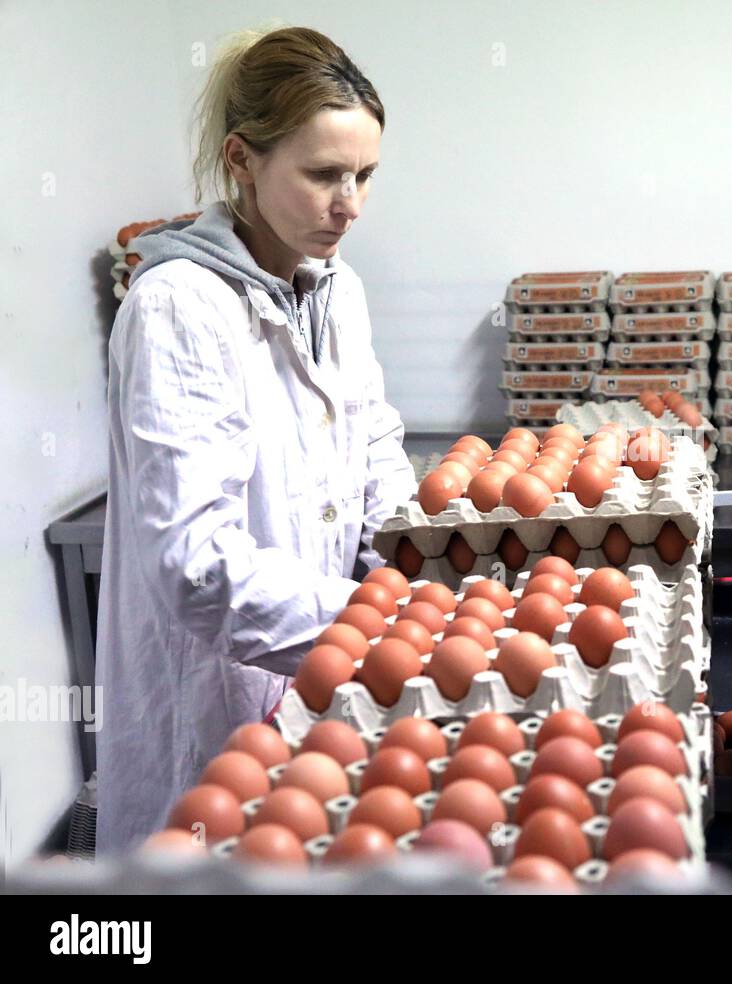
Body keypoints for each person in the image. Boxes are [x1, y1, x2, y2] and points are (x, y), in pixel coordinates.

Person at [95, 26, 415, 854]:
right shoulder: (178, 307)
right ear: (242, 158)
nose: (349, 204)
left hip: (321, 683)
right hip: (215, 703)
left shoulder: (339, 291)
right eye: (322, 175)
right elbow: (195, 563)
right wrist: (377, 627)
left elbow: (375, 456)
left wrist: (420, 566)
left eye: (365, 175)